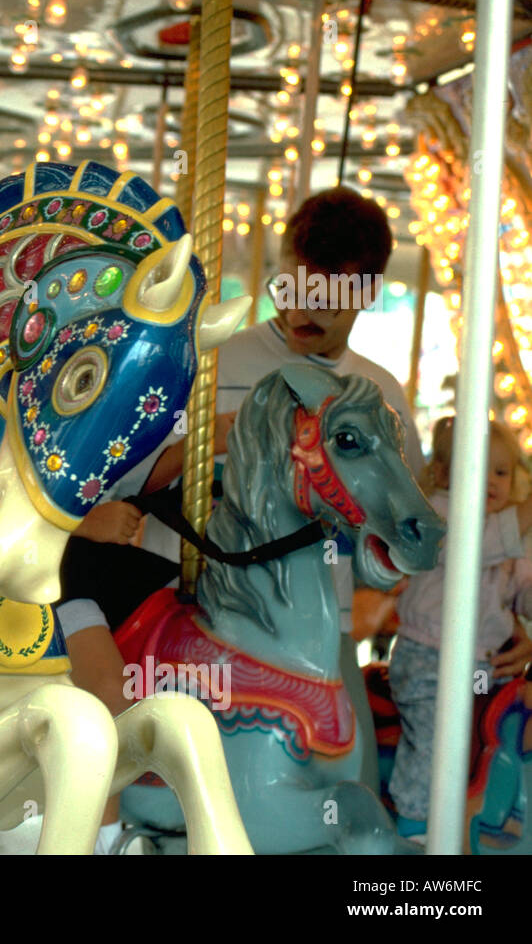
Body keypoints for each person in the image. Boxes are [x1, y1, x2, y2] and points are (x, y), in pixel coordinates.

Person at [61, 188, 426, 794]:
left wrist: (386, 597)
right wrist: (211, 439)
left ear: (364, 296)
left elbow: (403, 518)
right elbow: (127, 480)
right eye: (296, 288)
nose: (306, 311)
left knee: (351, 783)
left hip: (311, 625)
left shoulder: (378, 394)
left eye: (329, 302)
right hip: (188, 607)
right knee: (154, 768)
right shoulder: (209, 363)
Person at [388, 417, 532, 842]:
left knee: (506, 724)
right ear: (445, 473)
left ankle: (497, 811)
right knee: (434, 739)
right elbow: (481, 543)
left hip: (481, 666)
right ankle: (415, 824)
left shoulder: (511, 534)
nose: (490, 480)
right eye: (477, 465)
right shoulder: (440, 513)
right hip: (428, 659)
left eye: (501, 472)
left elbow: (524, 589)